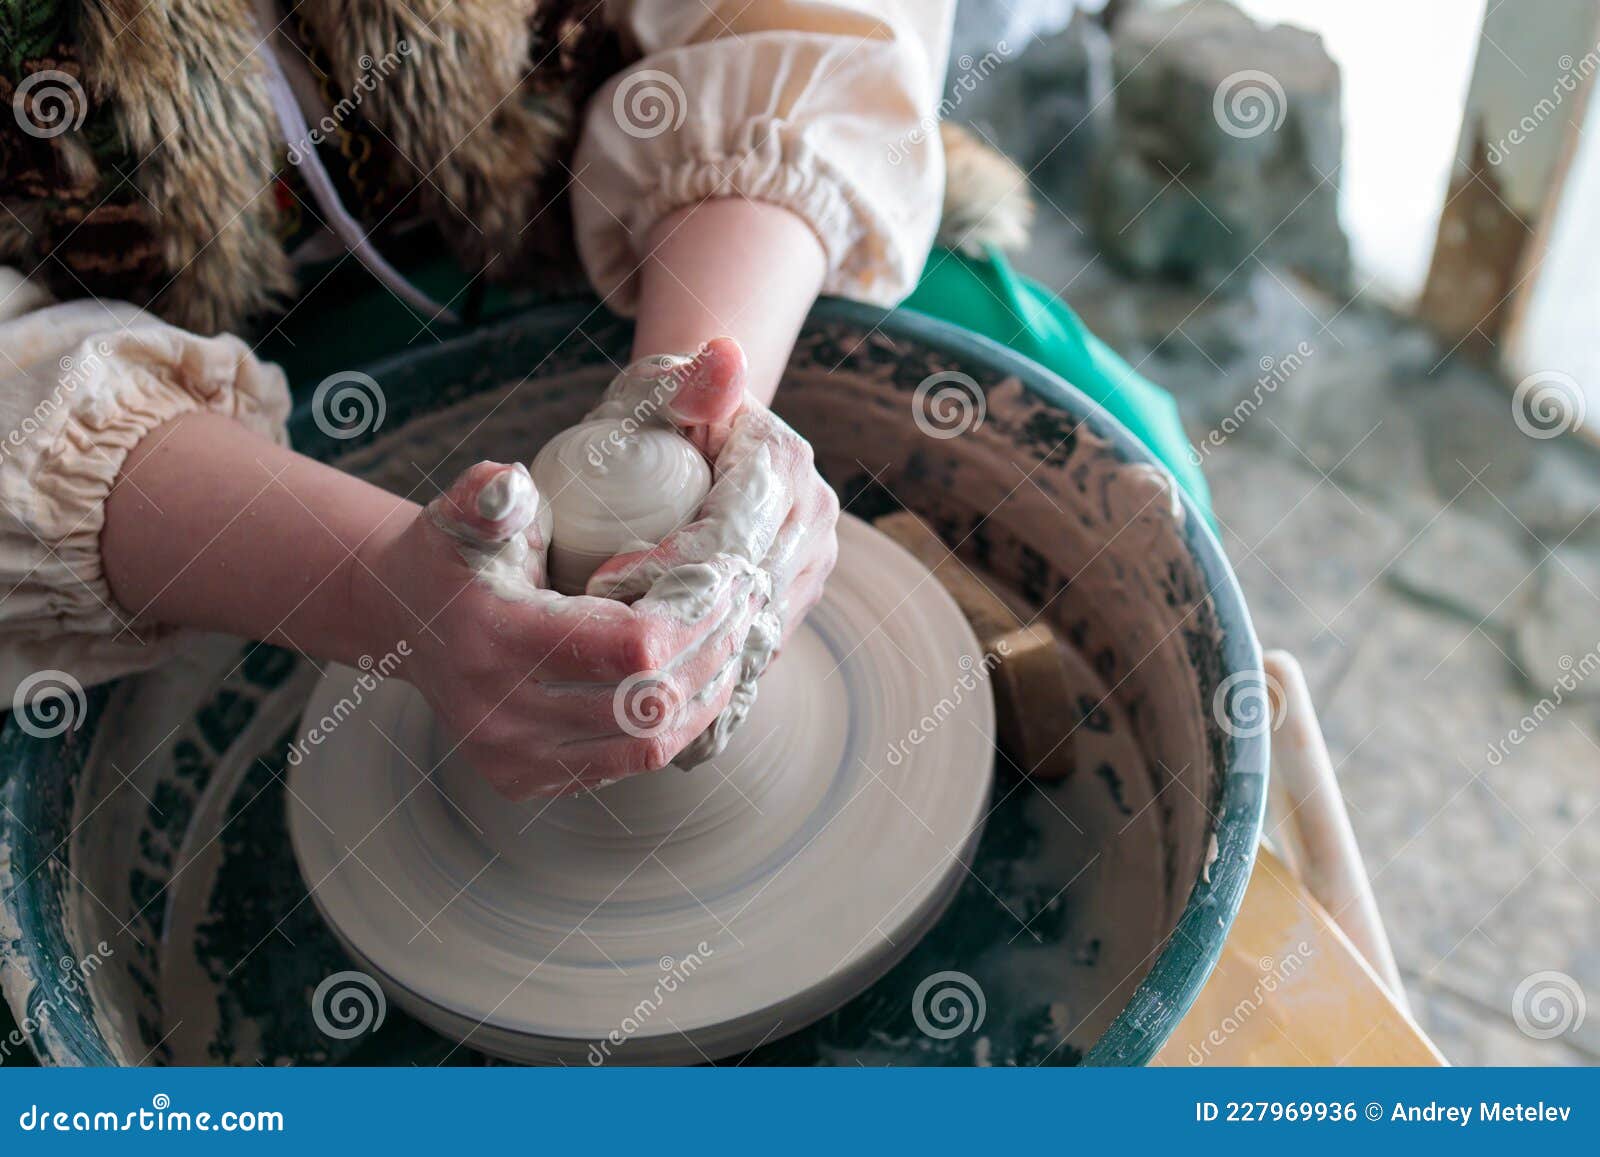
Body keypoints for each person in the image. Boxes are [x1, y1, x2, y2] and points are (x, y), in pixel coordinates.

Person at [0, 1, 1025, 797]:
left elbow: (773, 21)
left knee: (1084, 401)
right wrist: (394, 599)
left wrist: (702, 410)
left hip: (643, 203)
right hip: (162, 390)